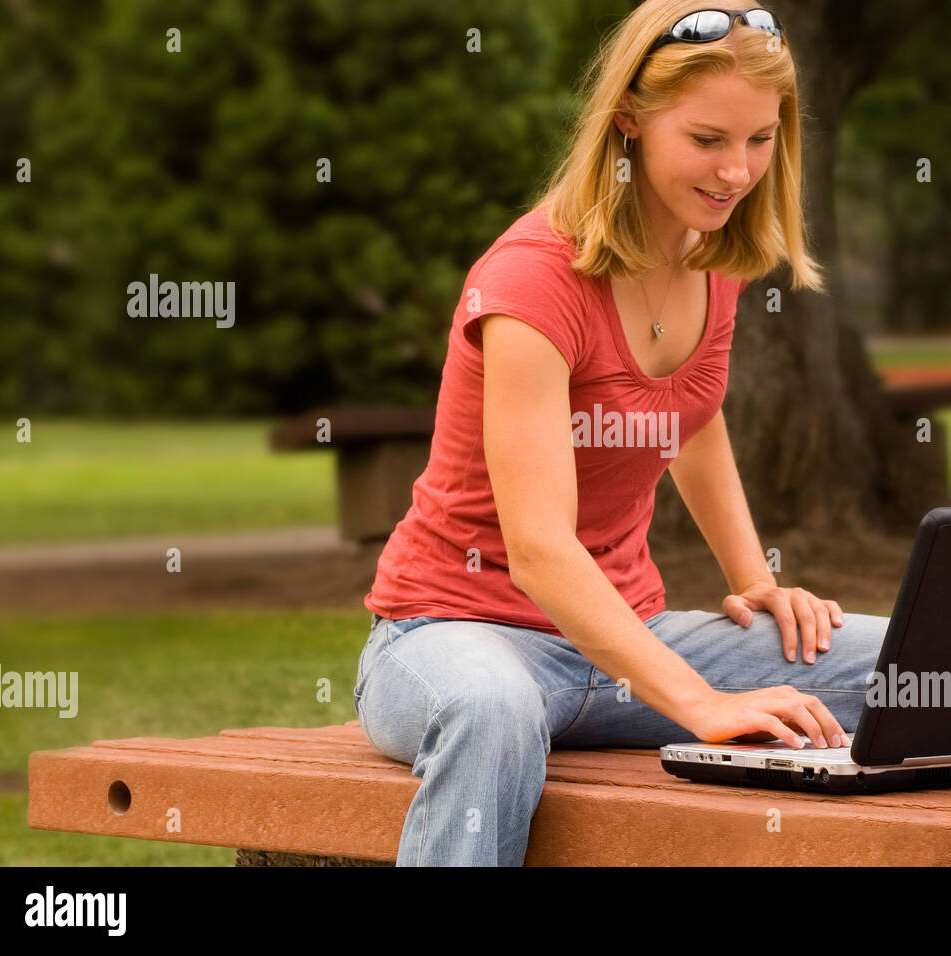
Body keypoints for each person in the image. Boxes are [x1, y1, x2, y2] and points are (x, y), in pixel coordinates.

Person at [355, 2, 888, 867]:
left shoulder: (712, 258)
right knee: (491, 711)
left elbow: (695, 413)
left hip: (617, 647)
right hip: (455, 638)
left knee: (917, 671)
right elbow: (537, 550)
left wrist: (756, 584)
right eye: (709, 139)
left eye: (760, 140)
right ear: (629, 121)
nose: (737, 171)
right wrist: (698, 700)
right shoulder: (532, 283)